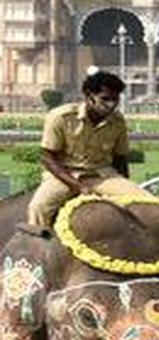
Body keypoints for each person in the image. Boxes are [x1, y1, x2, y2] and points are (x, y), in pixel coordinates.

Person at [26, 70, 150, 232]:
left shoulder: (117, 121)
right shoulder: (61, 117)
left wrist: (125, 185)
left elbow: (120, 158)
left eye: (115, 99)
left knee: (146, 202)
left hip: (102, 175)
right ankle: (36, 244)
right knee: (38, 207)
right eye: (105, 99)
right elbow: (47, 157)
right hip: (65, 175)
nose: (111, 105)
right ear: (88, 95)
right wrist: (78, 186)